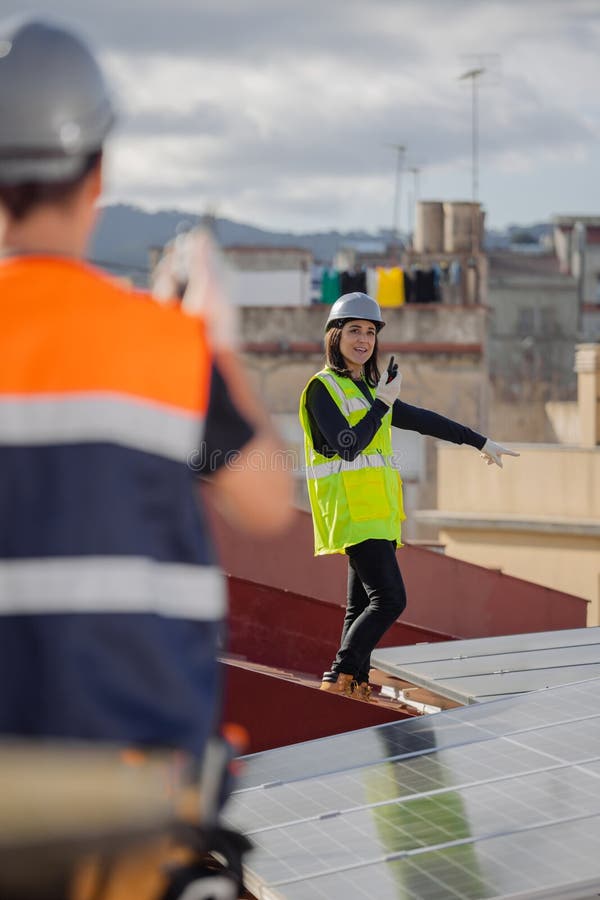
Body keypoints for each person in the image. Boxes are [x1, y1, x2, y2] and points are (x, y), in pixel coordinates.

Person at [0, 14, 293, 898]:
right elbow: (266, 504)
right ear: (99, 174)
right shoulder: (163, 352)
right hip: (132, 808)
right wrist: (216, 347)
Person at [299, 292, 519, 701]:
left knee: (361, 604)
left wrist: (480, 441)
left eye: (370, 332)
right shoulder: (322, 389)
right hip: (352, 511)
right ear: (334, 336)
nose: (363, 340)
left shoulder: (367, 392)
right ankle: (340, 673)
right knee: (390, 599)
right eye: (354, 331)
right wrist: (383, 401)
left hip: (377, 513)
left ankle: (356, 683)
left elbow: (422, 421)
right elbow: (348, 445)